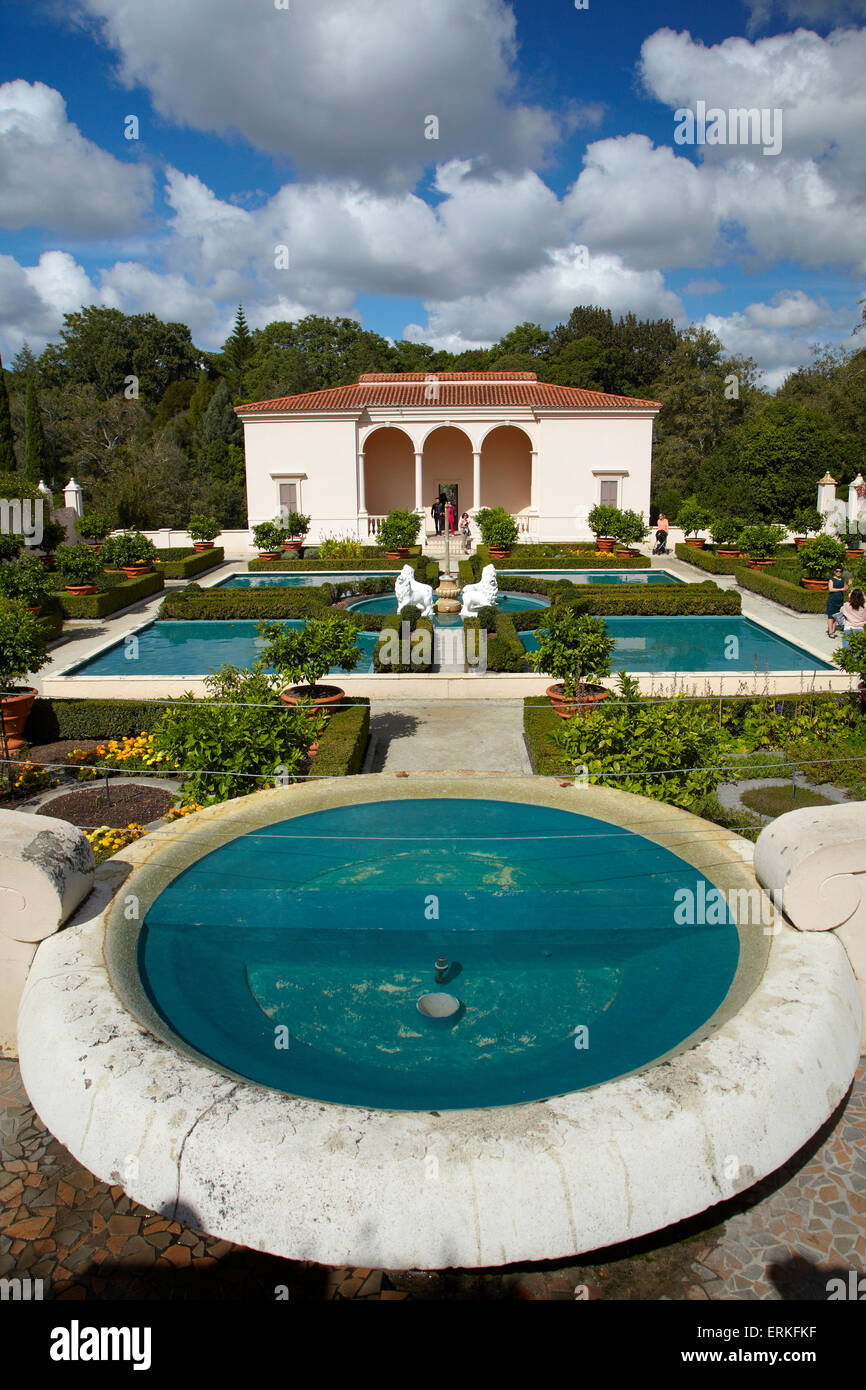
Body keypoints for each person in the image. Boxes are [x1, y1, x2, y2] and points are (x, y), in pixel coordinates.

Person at [826, 565, 850, 639]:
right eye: (837, 571)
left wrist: (848, 585)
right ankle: (830, 632)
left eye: (840, 571)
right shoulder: (832, 579)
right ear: (834, 572)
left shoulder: (842, 580)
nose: (838, 573)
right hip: (832, 600)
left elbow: (845, 588)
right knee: (831, 616)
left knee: (836, 616)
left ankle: (833, 630)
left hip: (840, 600)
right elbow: (831, 589)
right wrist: (841, 589)